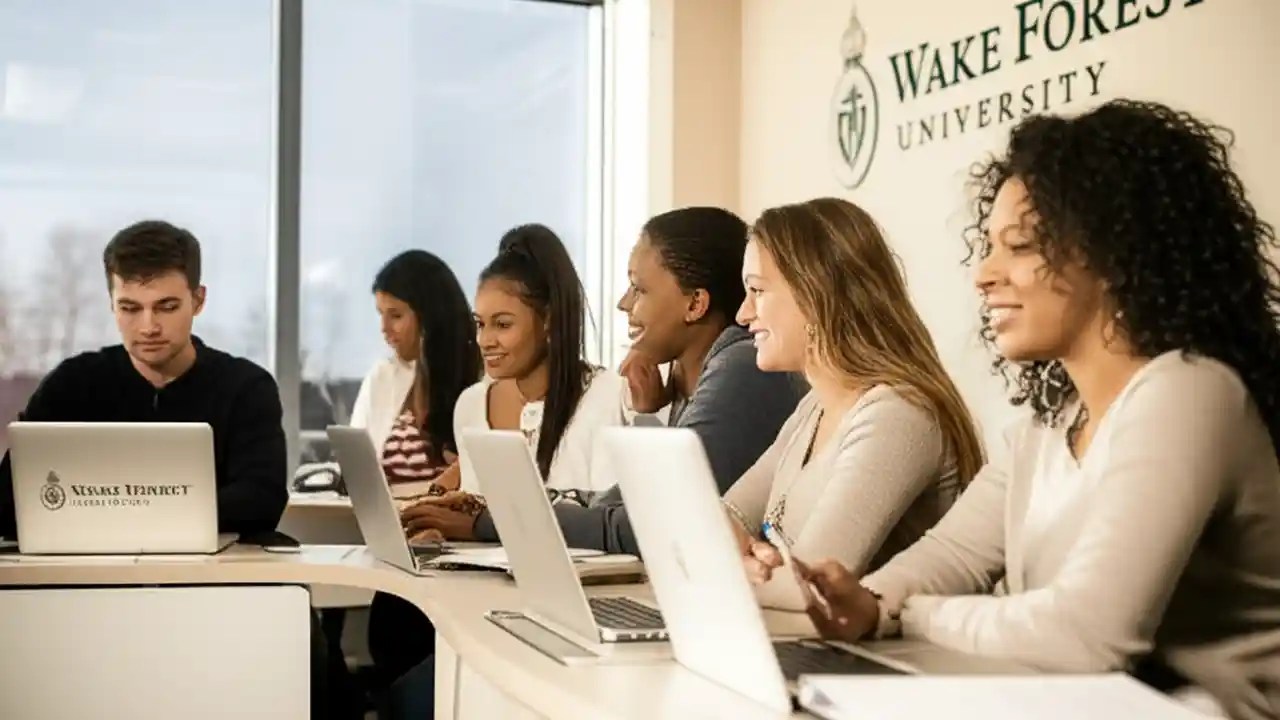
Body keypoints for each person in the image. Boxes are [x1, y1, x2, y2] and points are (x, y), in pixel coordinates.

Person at [747, 101, 1280, 718]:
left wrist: (900, 613)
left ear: (1115, 255)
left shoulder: (1189, 392)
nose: (983, 274)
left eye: (1019, 246)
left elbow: (1086, 635)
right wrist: (863, 600)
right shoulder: (1047, 425)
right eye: (988, 246)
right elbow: (952, 557)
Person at [436, 207, 806, 554]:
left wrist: (491, 523)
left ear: (695, 304)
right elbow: (623, 500)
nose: (624, 303)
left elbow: (646, 526)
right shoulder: (691, 381)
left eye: (639, 289)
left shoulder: (742, 368)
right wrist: (490, 508)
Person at [726, 197, 985, 612]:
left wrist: (727, 571)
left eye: (757, 291)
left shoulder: (898, 413)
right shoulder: (814, 407)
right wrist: (736, 556)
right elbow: (725, 518)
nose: (743, 313)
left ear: (816, 295)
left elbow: (810, 587)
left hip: (896, 669)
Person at [0, 219, 286, 539]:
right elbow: (9, 502)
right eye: (130, 308)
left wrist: (115, 514)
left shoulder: (245, 388)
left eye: (166, 307)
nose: (148, 327)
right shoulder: (71, 385)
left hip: (209, 578)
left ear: (198, 300)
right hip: (87, 574)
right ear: (112, 304)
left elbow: (262, 502)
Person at [397, 223, 626, 541]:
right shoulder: (472, 404)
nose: (484, 340)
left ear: (548, 320)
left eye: (502, 325)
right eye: (480, 324)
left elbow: (603, 521)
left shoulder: (605, 396)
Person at [348, 250, 480, 492]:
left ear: (431, 316)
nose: (384, 328)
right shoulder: (381, 378)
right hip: (384, 522)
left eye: (396, 315)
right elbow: (355, 469)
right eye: (381, 315)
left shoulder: (481, 381)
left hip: (447, 525)